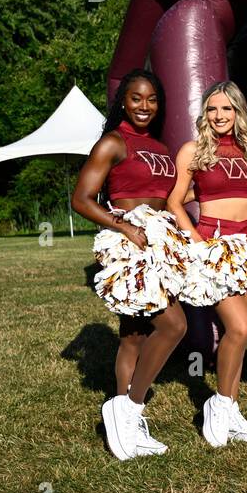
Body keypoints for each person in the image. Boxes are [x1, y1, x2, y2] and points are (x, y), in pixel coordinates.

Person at [72, 69, 188, 460]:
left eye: (152, 99)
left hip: (159, 240)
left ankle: (126, 423)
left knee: (134, 335)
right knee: (174, 325)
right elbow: (82, 198)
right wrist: (123, 227)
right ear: (124, 100)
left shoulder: (158, 145)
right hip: (131, 240)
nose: (144, 105)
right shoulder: (113, 142)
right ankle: (128, 407)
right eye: (137, 98)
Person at [167, 81, 247, 447]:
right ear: (204, 113)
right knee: (240, 327)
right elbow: (175, 201)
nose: (220, 116)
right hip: (214, 246)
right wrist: (197, 241)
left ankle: (232, 408)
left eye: (227, 109)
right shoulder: (193, 150)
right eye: (212, 109)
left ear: (238, 112)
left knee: (236, 335)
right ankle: (219, 405)